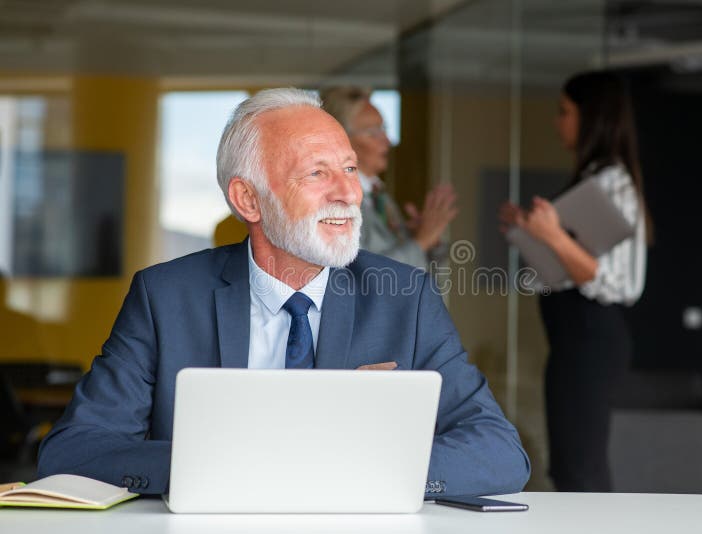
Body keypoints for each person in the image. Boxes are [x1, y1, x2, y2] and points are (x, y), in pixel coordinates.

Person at [37, 88, 530, 497]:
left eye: (351, 169)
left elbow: (499, 454)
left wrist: (345, 464)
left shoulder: (404, 297)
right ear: (248, 198)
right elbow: (73, 451)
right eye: (318, 173)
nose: (348, 192)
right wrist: (231, 463)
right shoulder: (165, 297)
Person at [499, 71, 647, 492]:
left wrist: (551, 236)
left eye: (564, 112)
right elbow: (570, 267)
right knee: (569, 464)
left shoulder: (613, 183)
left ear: (592, 117)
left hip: (590, 337)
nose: (557, 122)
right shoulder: (596, 179)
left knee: (580, 466)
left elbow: (615, 280)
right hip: (574, 339)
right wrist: (527, 233)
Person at [320, 87, 457, 270]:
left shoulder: (380, 197)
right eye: (373, 132)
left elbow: (415, 270)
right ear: (342, 139)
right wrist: (421, 241)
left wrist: (427, 240)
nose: (387, 140)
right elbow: (361, 273)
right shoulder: (336, 203)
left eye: (383, 128)